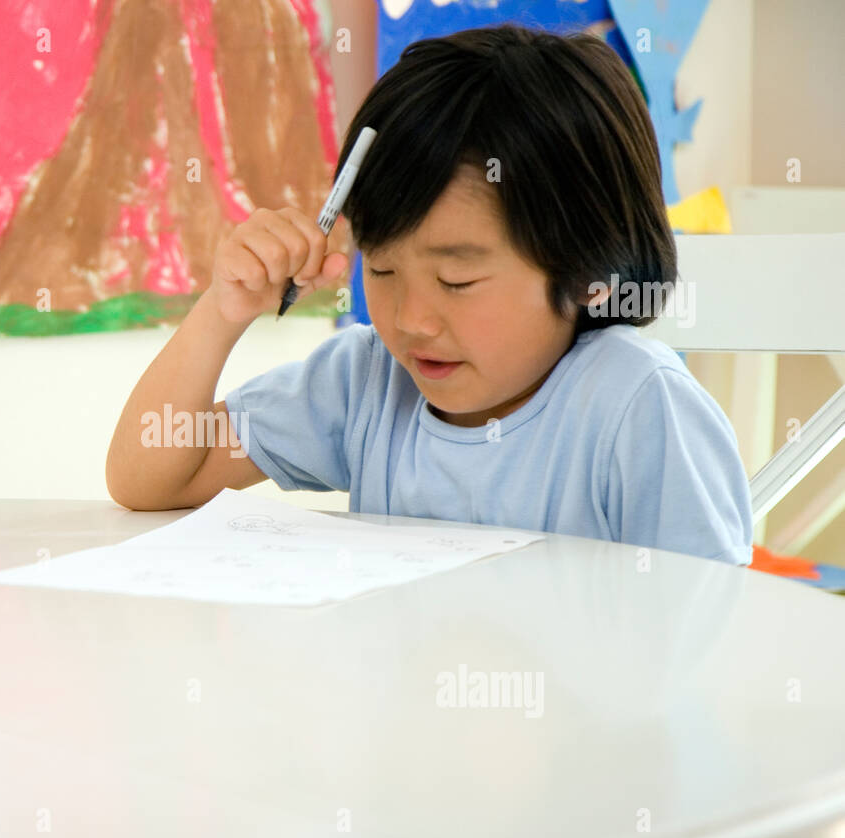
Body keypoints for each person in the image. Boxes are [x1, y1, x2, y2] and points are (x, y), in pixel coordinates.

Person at [106, 24, 753, 566]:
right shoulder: (367, 382)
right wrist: (223, 309)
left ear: (587, 267)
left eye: (457, 281)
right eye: (382, 271)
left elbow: (707, 637)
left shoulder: (636, 409)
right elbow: (152, 478)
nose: (412, 320)